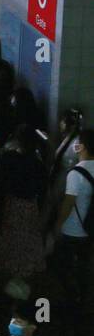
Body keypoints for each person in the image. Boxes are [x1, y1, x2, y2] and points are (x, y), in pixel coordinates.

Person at [51, 127, 93, 314]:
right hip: (90, 230)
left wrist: (57, 226)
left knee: (62, 267)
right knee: (83, 266)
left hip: (72, 230)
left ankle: (70, 300)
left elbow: (68, 204)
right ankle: (83, 299)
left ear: (81, 147)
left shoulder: (75, 173)